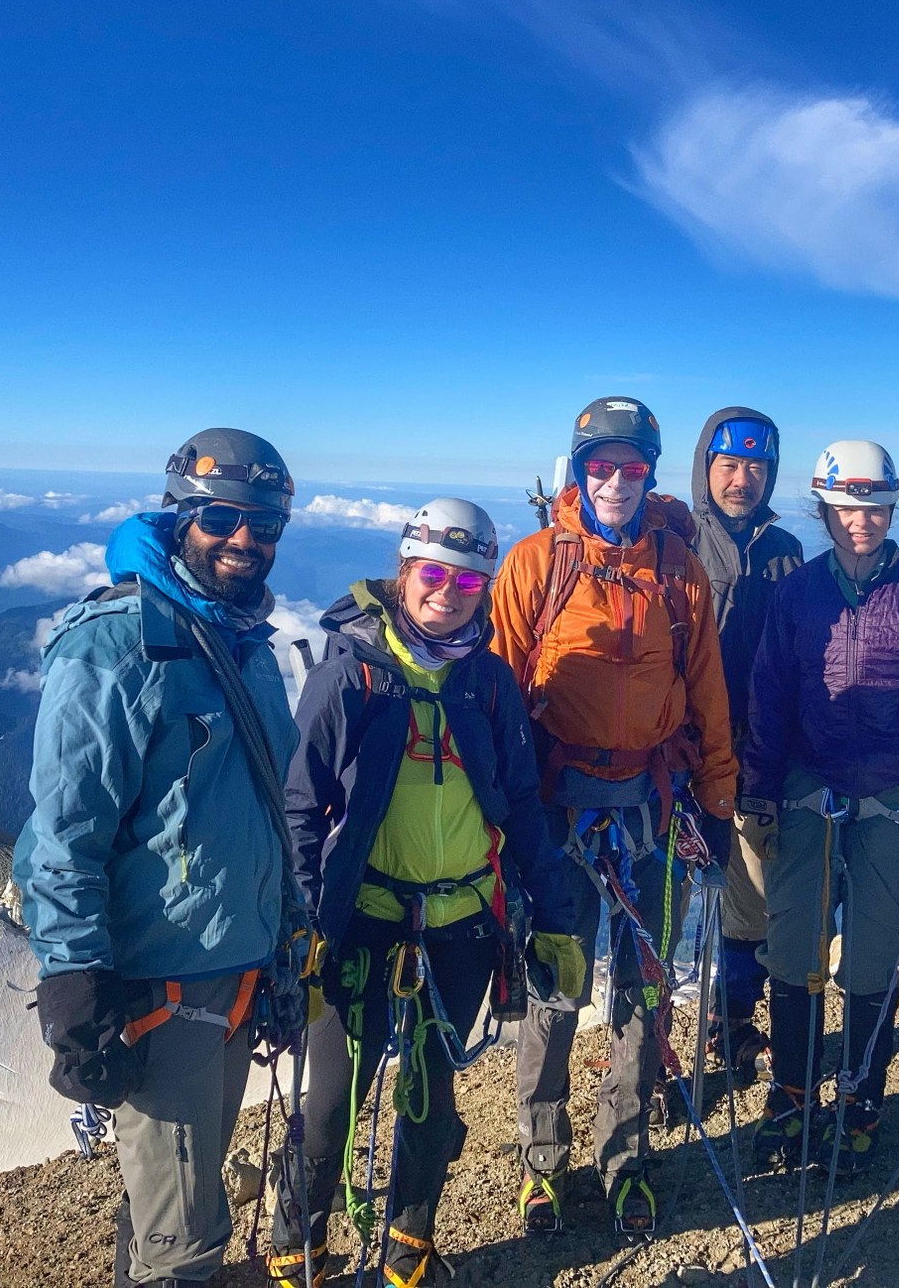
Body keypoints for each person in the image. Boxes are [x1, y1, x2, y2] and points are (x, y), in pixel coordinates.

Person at [14, 429, 305, 1287]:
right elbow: (66, 832)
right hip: (161, 988)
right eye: (223, 518)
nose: (246, 540)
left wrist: (285, 939)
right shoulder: (115, 645)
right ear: (182, 516)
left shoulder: (242, 642)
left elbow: (265, 812)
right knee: (186, 1238)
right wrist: (75, 981)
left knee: (173, 1204)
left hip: (235, 972)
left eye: (266, 525)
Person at [273, 500, 584, 1288]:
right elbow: (302, 808)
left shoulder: (488, 684)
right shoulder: (352, 675)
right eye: (435, 574)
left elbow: (520, 804)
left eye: (469, 580)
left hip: (463, 929)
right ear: (405, 573)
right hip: (366, 921)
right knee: (333, 1100)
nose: (449, 592)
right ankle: (296, 1240)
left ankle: (409, 1244)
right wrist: (304, 918)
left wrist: (557, 917)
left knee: (428, 1097)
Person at [489, 396, 738, 1236]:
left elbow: (707, 692)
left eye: (633, 469)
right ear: (578, 469)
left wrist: (720, 799)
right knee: (555, 991)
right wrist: (498, 821)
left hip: (650, 811)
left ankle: (626, 1155)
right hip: (560, 811)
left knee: (644, 990)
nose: (618, 482)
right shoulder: (535, 564)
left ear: (651, 476)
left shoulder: (679, 569)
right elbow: (497, 696)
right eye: (602, 466)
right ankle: (542, 1162)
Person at [739, 439, 899, 1173]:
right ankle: (793, 1094)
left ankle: (862, 1100)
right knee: (793, 951)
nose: (860, 520)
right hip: (808, 791)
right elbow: (769, 698)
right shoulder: (797, 593)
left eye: (873, 506)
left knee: (872, 959)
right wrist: (759, 794)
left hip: (895, 798)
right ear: (825, 509)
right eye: (845, 507)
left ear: (890, 508)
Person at [686, 407, 803, 1078]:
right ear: (707, 468)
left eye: (756, 466)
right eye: (729, 464)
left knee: (748, 896)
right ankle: (651, 1039)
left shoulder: (784, 549)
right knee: (671, 900)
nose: (742, 478)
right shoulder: (678, 539)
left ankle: (730, 1021)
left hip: (757, 751)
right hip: (683, 749)